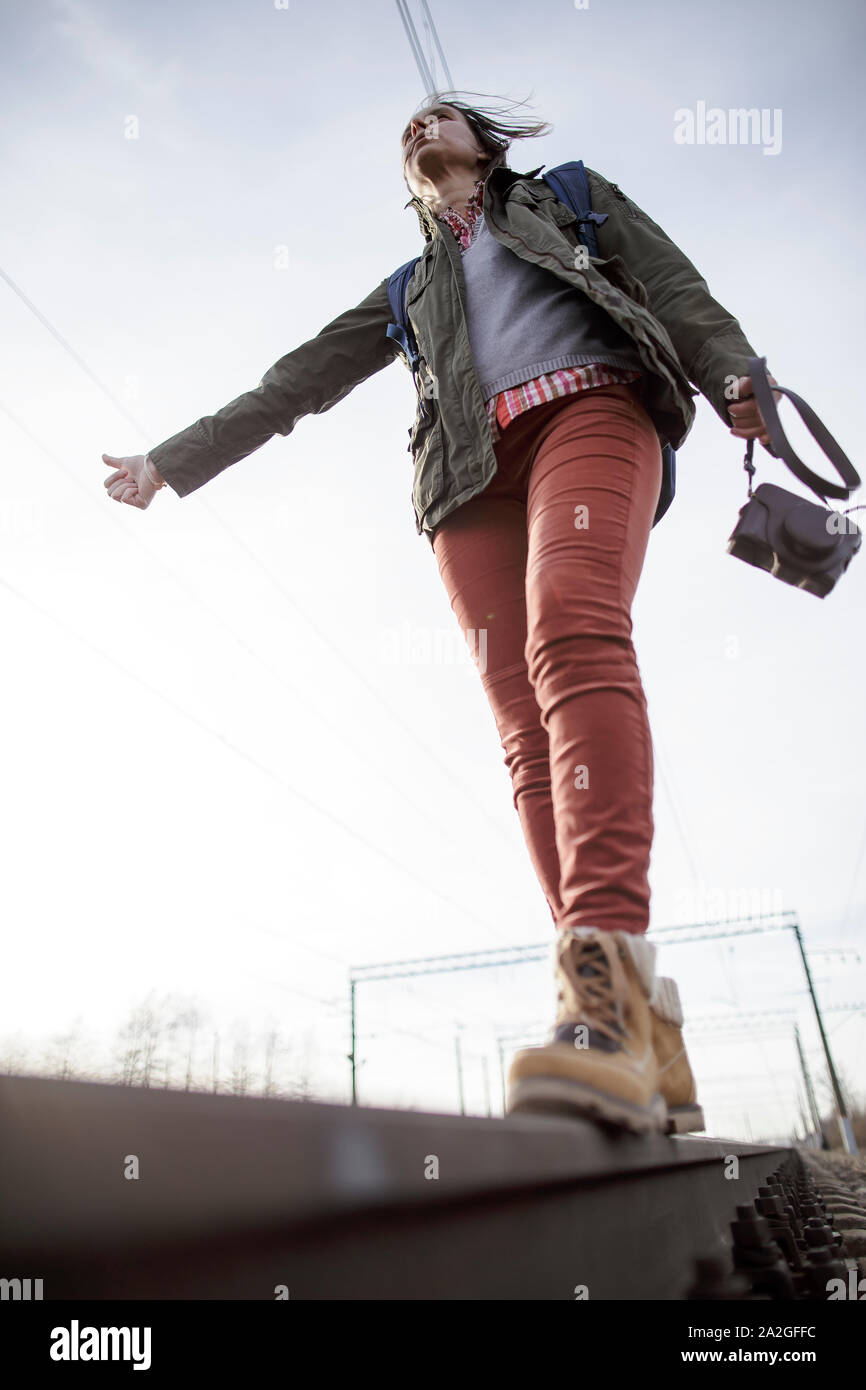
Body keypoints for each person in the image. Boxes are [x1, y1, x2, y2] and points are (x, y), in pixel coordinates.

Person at [102, 91, 778, 1136]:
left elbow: (675, 289)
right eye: (403, 130)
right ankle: (642, 1030)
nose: (419, 130)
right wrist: (171, 458)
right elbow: (292, 386)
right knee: (521, 732)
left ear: (482, 140)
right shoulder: (407, 286)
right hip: (464, 483)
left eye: (438, 118)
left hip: (591, 410)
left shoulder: (570, 200)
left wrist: (730, 368)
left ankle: (602, 1002)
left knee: (571, 625)